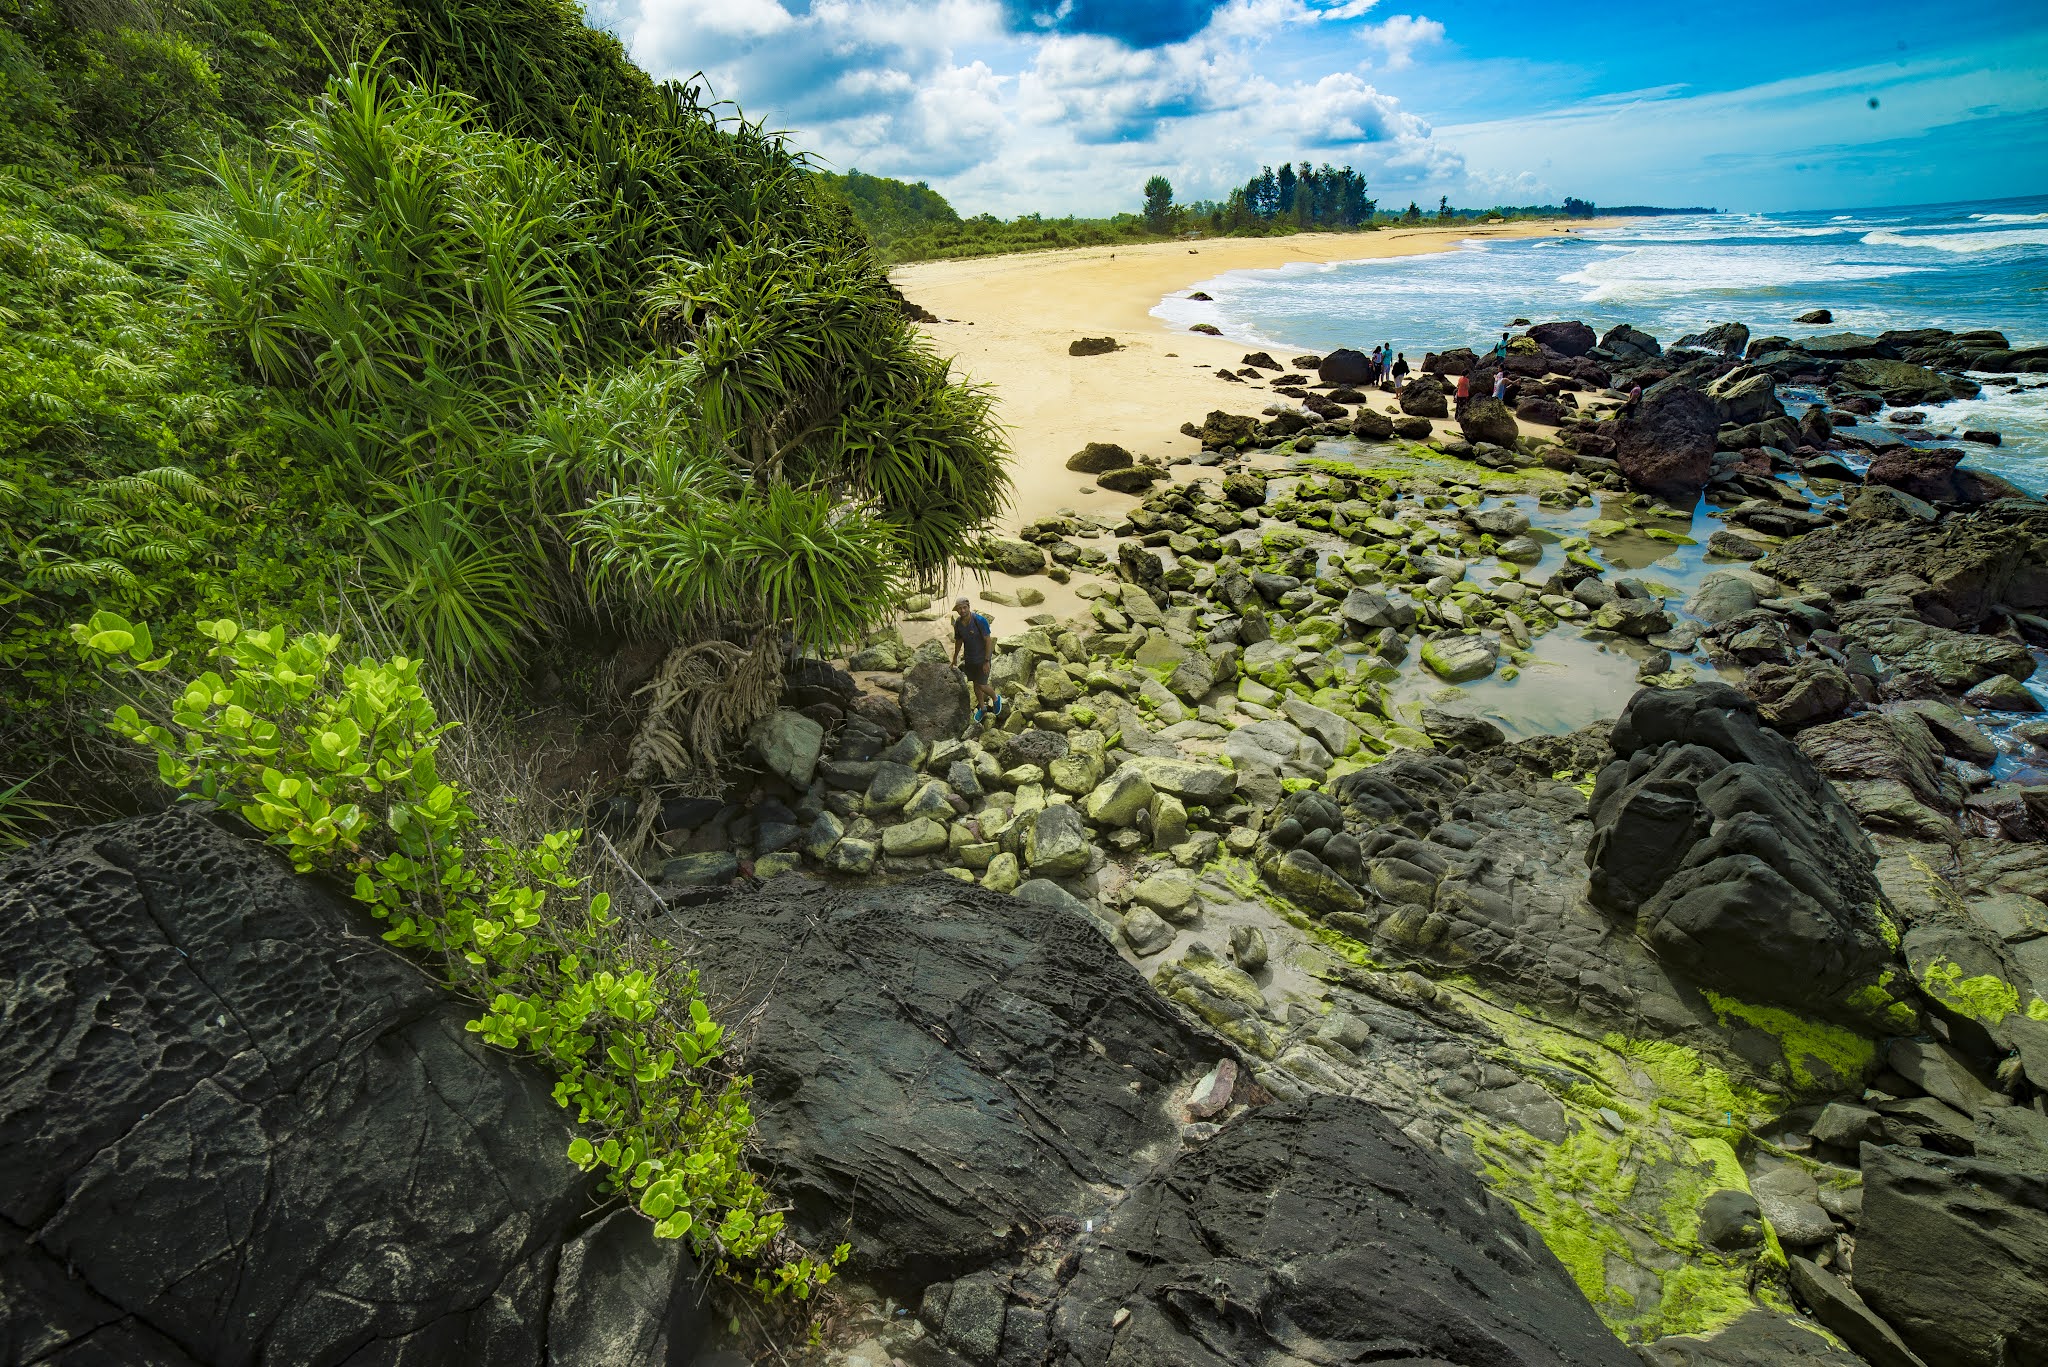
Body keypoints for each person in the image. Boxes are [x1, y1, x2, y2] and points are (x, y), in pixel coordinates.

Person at [951, 597, 1000, 719]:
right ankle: (982, 708)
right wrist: (954, 658)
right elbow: (958, 641)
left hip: (982, 659)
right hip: (969, 658)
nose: (962, 610)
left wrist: (987, 661)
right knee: (975, 685)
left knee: (982, 685)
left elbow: (988, 641)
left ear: (968, 607)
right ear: (957, 610)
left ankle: (995, 698)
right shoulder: (958, 623)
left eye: (964, 607)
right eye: (959, 608)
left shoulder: (979, 620)